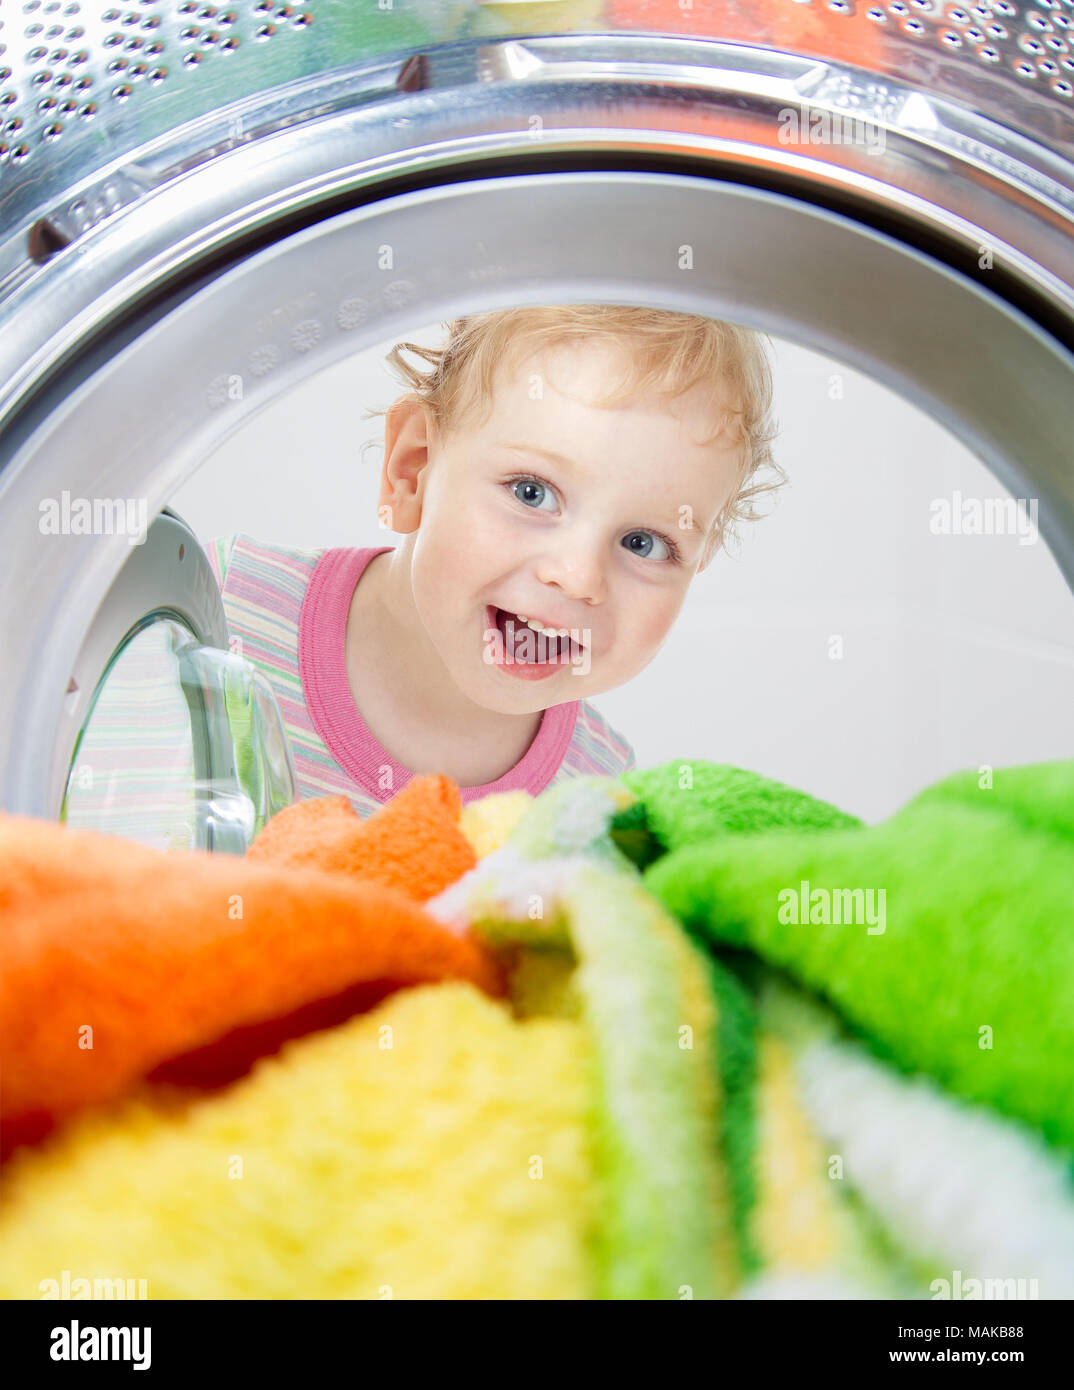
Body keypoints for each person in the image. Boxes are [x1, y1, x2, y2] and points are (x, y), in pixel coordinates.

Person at [204, 304, 784, 819]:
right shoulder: (215, 608)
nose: (578, 575)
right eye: (531, 492)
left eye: (644, 543)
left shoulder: (595, 797)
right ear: (414, 470)